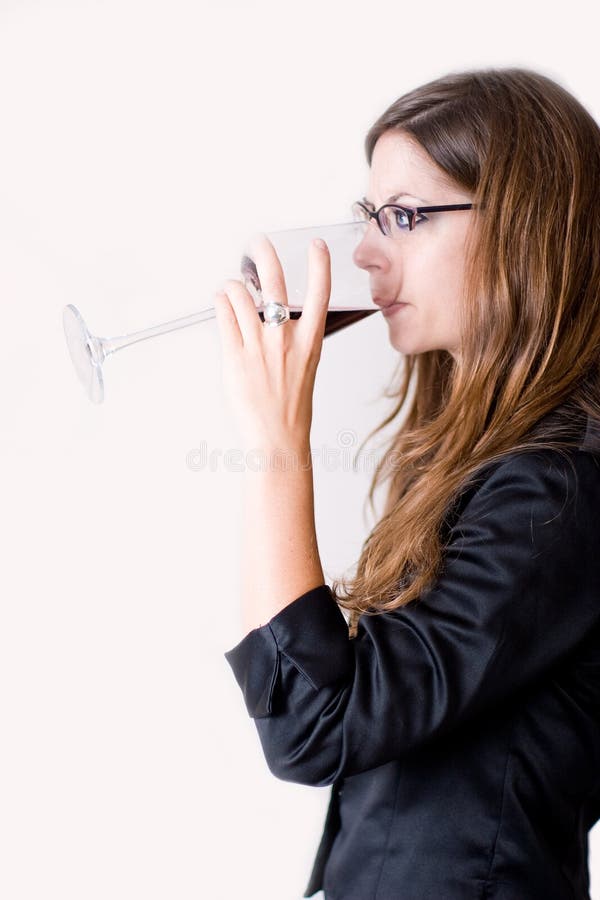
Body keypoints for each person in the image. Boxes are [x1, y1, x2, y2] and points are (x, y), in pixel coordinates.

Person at [212, 66, 600, 900]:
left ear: (527, 227)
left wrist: (276, 443)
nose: (363, 253)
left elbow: (315, 728)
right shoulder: (471, 461)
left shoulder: (559, 487)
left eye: (406, 216)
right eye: (369, 216)